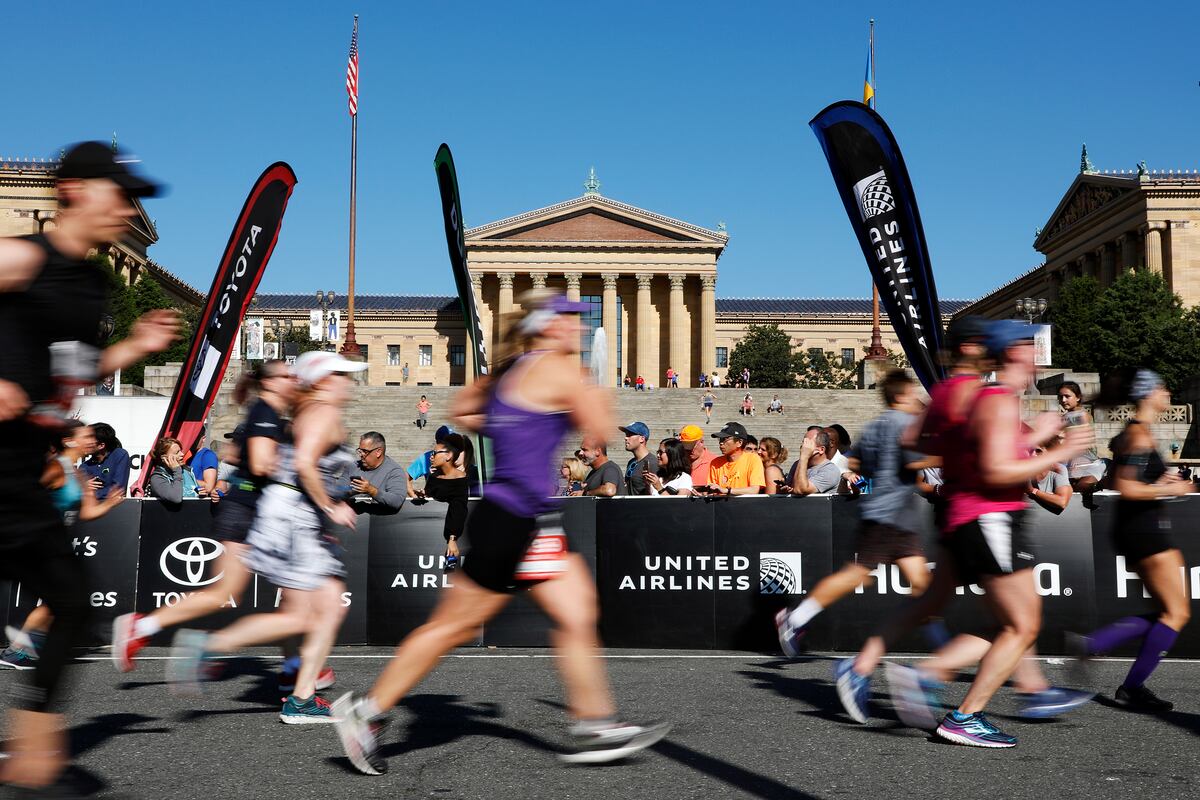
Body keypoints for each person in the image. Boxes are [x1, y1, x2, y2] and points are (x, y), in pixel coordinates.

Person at [332, 290, 669, 775]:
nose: (577, 327)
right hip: (513, 520)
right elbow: (600, 424)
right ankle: (366, 712)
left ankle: (594, 722)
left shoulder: (511, 371)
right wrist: (586, 392)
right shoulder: (558, 369)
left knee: (576, 612)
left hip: (524, 518)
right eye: (568, 319)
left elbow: (462, 411)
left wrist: (514, 423)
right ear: (545, 326)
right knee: (452, 627)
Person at [0, 140, 178, 790]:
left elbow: (71, 370)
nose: (128, 208)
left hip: (24, 476)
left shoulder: (93, 284)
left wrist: (132, 347)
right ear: (74, 190)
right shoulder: (22, 257)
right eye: (119, 193)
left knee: (73, 606)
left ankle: (32, 760)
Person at [112, 361, 331, 696]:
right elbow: (261, 463)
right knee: (249, 593)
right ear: (270, 383)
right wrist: (299, 467)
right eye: (286, 376)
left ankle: (292, 668)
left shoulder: (271, 415)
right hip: (248, 513)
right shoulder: (264, 412)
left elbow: (239, 454)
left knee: (291, 595)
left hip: (253, 513)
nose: (293, 380)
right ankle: (144, 627)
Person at [168, 351, 366, 723]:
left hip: (289, 512)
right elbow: (304, 464)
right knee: (304, 616)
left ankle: (301, 694)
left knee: (328, 606)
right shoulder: (322, 412)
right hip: (294, 513)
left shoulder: (307, 410)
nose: (349, 383)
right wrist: (330, 507)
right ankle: (209, 646)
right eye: (342, 375)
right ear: (324, 380)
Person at [777, 370, 928, 657]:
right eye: (912, 393)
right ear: (901, 395)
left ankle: (940, 657)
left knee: (922, 587)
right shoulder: (905, 423)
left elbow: (856, 462)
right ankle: (796, 620)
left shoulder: (874, 426)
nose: (915, 398)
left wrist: (883, 465)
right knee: (857, 575)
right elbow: (916, 461)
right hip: (891, 515)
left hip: (889, 514)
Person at [1069, 369, 1192, 712]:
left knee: (1170, 612)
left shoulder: (1138, 432)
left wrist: (1163, 481)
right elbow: (1126, 487)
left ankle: (1100, 648)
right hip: (1144, 530)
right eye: (1162, 387)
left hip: (1138, 528)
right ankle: (1128, 683)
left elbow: (1130, 479)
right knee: (1176, 613)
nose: (1167, 393)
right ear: (1149, 393)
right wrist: (1169, 489)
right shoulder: (1138, 434)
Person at [1, 423, 123, 671]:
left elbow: (87, 512)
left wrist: (109, 503)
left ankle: (25, 646)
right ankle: (18, 649)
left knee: (64, 602)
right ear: (68, 441)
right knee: (61, 601)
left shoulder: (80, 474)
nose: (92, 441)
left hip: (58, 544)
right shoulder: (55, 467)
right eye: (86, 436)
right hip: (38, 542)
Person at [413, 432, 471, 566]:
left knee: (450, 570)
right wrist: (424, 494)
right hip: (427, 534)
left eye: (435, 453)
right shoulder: (434, 477)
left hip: (450, 538)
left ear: (448, 456)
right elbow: (431, 495)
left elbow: (458, 508)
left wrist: (452, 539)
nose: (431, 456)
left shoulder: (461, 480)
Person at [1057, 381, 1106, 491]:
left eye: (1067, 396)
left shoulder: (1082, 415)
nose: (1063, 400)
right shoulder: (1064, 417)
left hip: (1084, 457)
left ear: (1078, 397)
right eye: (1060, 397)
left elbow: (1082, 442)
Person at [349, 431, 407, 514]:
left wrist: (371, 490)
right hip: (350, 518)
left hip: (380, 520)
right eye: (360, 450)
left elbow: (396, 501)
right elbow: (338, 489)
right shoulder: (353, 466)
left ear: (378, 452)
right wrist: (348, 490)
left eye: (365, 451)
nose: (361, 455)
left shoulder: (395, 471)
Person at [704, 422, 765, 495]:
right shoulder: (715, 463)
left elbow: (754, 490)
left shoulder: (753, 459)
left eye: (725, 439)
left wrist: (726, 491)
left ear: (739, 442)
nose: (721, 443)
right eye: (720, 439)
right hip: (721, 502)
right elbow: (711, 492)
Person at [80, 421, 130, 499]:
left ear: (101, 445)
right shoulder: (84, 466)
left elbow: (118, 490)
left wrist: (89, 493)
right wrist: (82, 487)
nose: (85, 443)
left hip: (114, 506)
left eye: (89, 439)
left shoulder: (120, 455)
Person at [784, 429, 842, 495]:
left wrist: (804, 457)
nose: (803, 446)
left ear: (821, 449)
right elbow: (792, 489)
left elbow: (801, 490)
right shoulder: (797, 464)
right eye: (803, 442)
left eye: (808, 443)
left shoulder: (830, 470)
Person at [147, 437, 201, 502]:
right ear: (164, 458)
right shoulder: (157, 478)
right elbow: (176, 498)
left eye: (180, 451)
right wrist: (176, 471)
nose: (182, 454)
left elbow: (194, 493)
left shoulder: (187, 471)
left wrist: (201, 494)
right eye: (177, 452)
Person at [621, 421, 655, 495]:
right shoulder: (631, 462)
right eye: (626, 435)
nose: (625, 438)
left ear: (642, 439)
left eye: (629, 435)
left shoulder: (653, 463)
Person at [188, 425, 220, 499]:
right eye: (190, 437)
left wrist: (185, 480)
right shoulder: (188, 455)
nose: (192, 441)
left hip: (199, 501)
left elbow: (208, 487)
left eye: (195, 438)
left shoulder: (208, 455)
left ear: (203, 438)